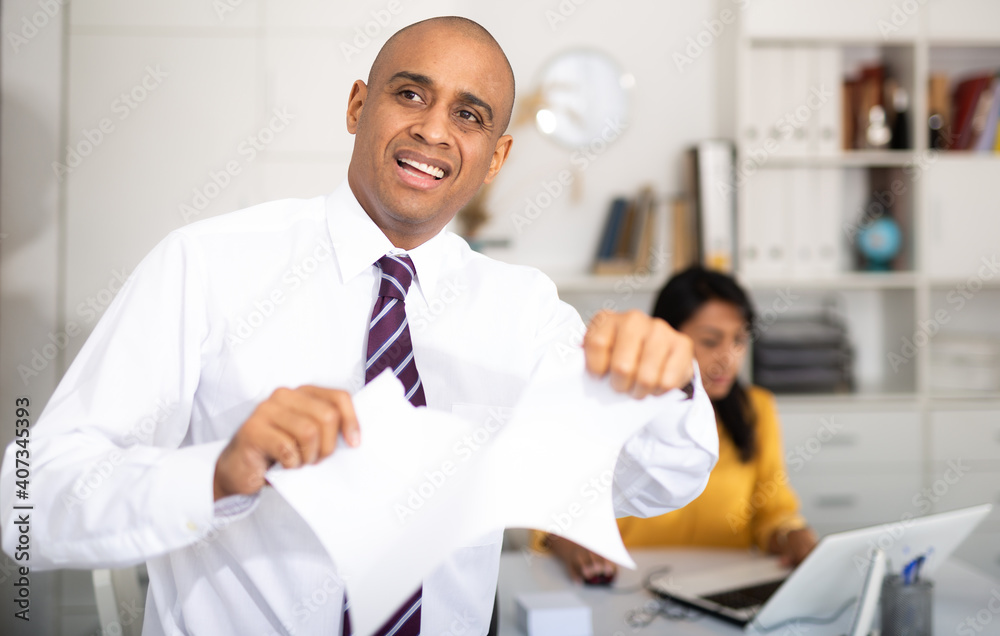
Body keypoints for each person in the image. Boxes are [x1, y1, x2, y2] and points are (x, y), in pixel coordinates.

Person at [0, 17, 718, 635]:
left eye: (470, 115)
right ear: (356, 106)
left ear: (496, 157)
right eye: (410, 94)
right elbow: (26, 506)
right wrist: (217, 472)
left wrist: (666, 385)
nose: (434, 129)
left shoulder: (524, 310)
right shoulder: (207, 264)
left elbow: (655, 483)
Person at [543, 265, 818, 583]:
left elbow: (773, 510)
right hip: (629, 586)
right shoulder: (612, 406)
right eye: (711, 341)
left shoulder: (756, 408)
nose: (729, 359)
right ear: (668, 339)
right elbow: (555, 511)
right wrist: (573, 544)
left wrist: (791, 536)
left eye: (739, 340)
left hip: (724, 583)